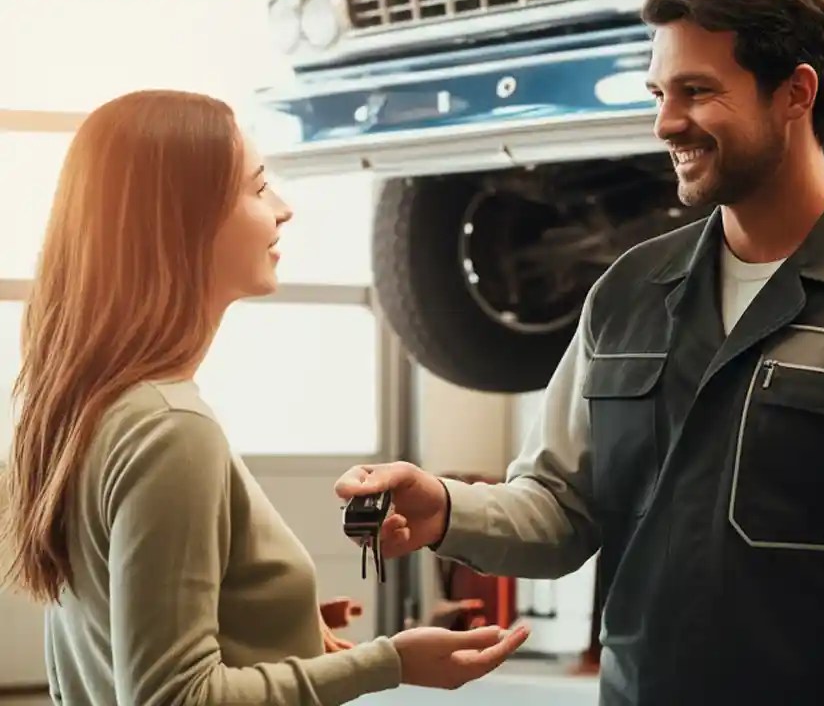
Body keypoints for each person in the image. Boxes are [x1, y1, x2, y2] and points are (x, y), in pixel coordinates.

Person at [336, 0, 824, 703]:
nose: (665, 122)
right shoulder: (628, 293)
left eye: (696, 91)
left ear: (796, 93)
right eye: (659, 91)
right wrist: (443, 506)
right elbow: (561, 506)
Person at [0, 89, 528, 706]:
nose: (283, 210)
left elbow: (105, 652)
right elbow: (176, 697)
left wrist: (282, 628)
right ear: (183, 222)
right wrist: (387, 663)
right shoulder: (171, 430)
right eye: (257, 189)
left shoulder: (91, 410)